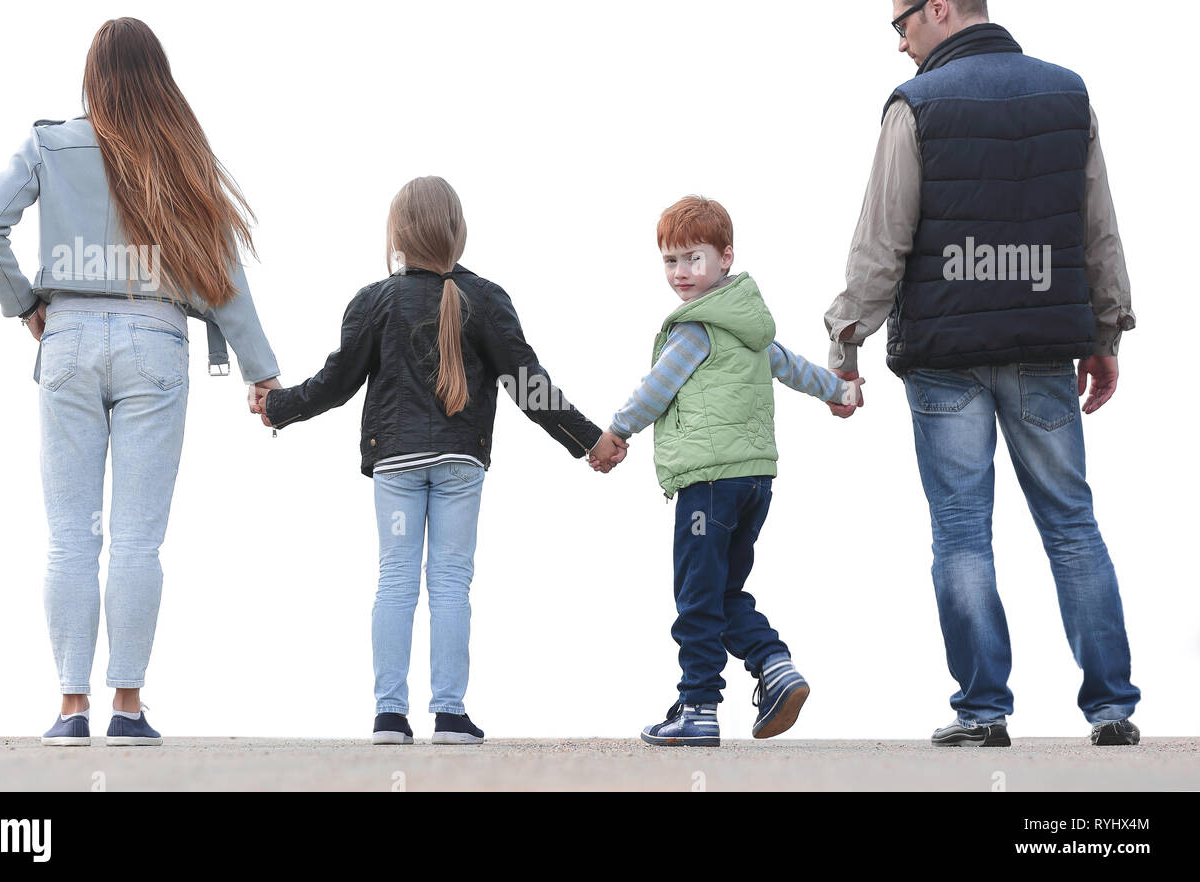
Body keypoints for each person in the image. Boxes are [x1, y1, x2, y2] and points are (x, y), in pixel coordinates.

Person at [823, 0, 1141, 746]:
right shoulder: (1068, 91)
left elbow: (883, 237)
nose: (898, 43)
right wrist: (1107, 332)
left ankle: (983, 712)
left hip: (944, 360)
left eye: (900, 23)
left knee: (963, 533)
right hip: (1043, 350)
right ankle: (1112, 710)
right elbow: (1098, 225)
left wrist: (846, 339)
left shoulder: (916, 106)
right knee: (1071, 525)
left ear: (937, 8)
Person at [0, 18, 283, 747]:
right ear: (158, 75)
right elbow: (224, 275)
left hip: (70, 335)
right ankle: (128, 708)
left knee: (69, 537)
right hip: (155, 336)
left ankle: (70, 711)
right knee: (140, 540)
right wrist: (260, 372)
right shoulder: (182, 152)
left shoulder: (49, 141)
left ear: (92, 75)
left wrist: (25, 305)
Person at [255, 176, 622, 745]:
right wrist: (589, 439)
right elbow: (531, 387)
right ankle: (450, 716)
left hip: (397, 467)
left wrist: (278, 406)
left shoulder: (375, 300)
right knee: (451, 583)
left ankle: (389, 717)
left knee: (395, 581)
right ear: (457, 231)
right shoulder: (488, 299)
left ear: (398, 234)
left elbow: (334, 383)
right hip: (458, 467)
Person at [592, 196, 863, 746]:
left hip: (708, 485)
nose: (681, 273)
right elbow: (793, 368)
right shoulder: (750, 325)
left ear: (725, 256)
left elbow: (655, 390)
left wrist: (615, 432)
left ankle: (698, 707)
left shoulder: (695, 330)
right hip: (755, 482)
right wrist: (841, 390)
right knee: (720, 589)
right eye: (670, 261)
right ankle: (773, 663)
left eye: (693, 258)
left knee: (696, 594)